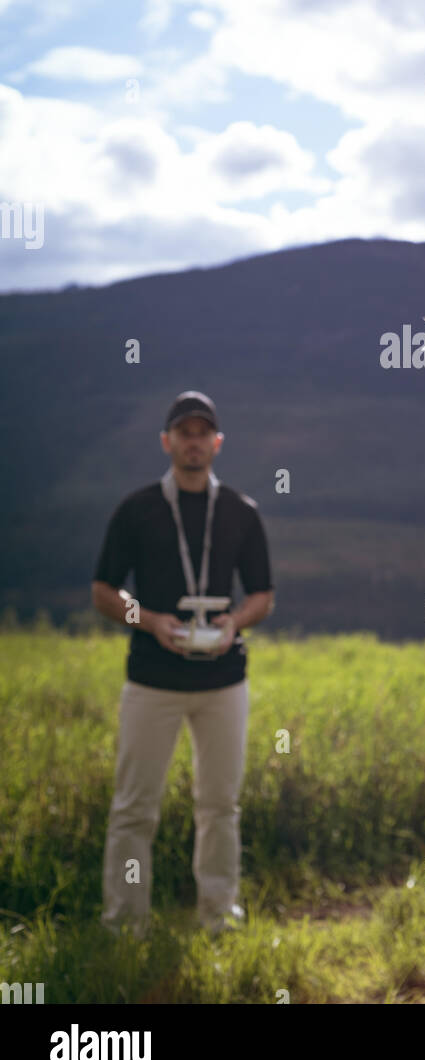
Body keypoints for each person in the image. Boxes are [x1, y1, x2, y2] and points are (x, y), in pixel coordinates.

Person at [92, 391, 274, 939]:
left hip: (224, 681)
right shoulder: (137, 509)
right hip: (152, 680)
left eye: (203, 433)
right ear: (167, 442)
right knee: (133, 809)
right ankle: (125, 923)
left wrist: (232, 625)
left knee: (220, 805)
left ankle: (219, 917)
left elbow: (262, 595)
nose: (193, 441)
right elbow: (104, 592)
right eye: (183, 432)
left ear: (216, 443)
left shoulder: (241, 512)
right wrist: (150, 621)